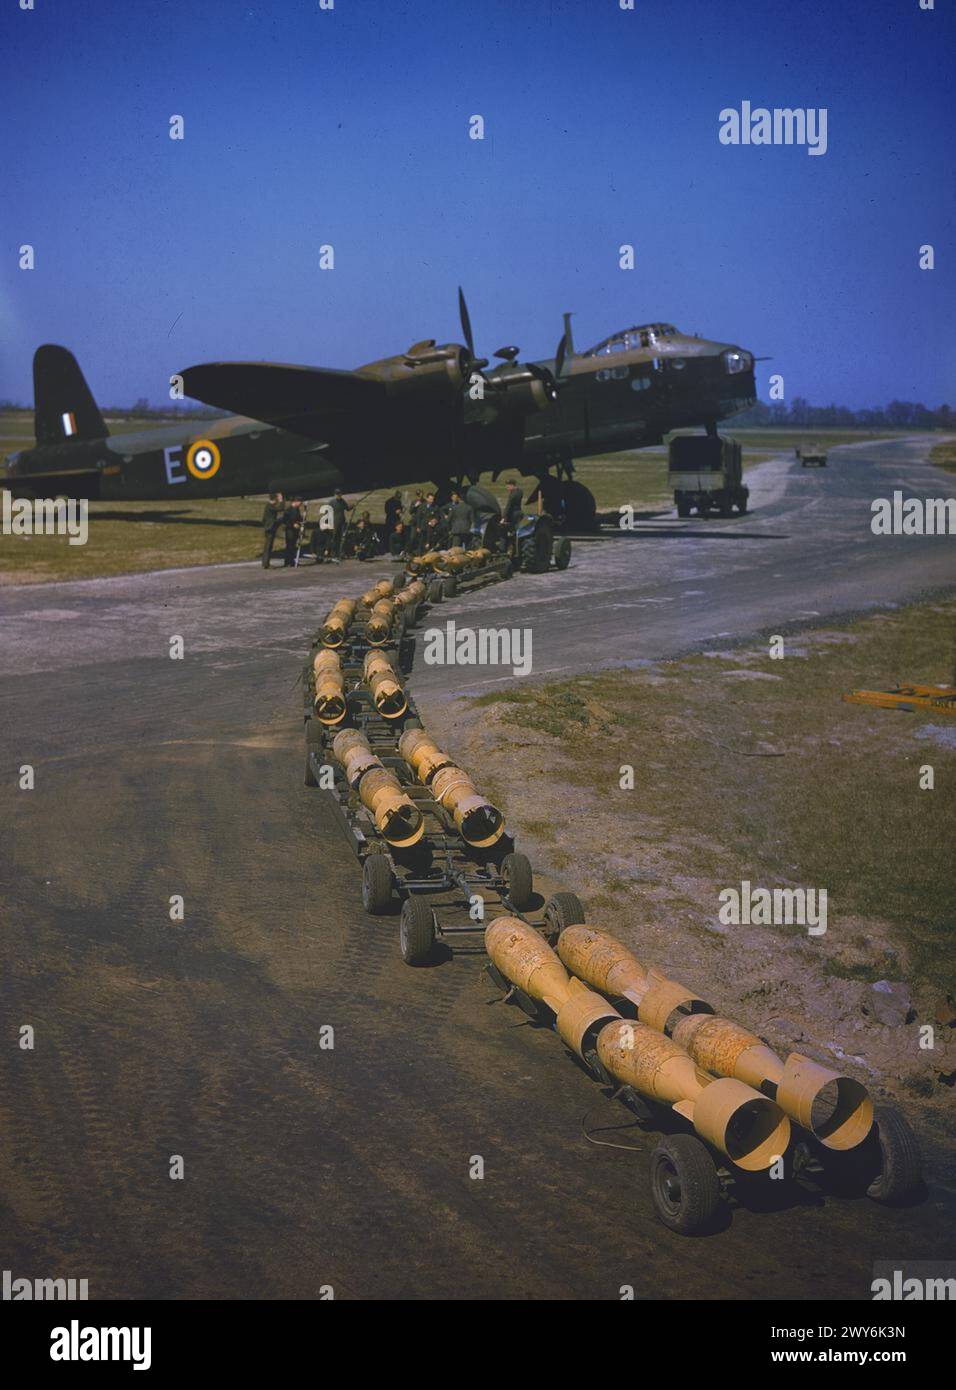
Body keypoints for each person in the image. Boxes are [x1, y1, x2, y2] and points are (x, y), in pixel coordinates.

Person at [261, 490, 284, 568]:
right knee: (268, 546)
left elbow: (264, 519)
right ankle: (266, 563)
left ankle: (265, 562)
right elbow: (280, 508)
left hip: (268, 527)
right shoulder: (270, 506)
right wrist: (281, 500)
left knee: (268, 546)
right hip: (270, 528)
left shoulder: (268, 506)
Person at [330, 489, 353, 559]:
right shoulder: (331, 502)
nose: (339, 496)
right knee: (334, 538)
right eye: (337, 494)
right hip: (334, 523)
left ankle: (341, 552)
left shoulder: (342, 501)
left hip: (342, 522)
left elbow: (347, 509)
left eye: (340, 494)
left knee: (343, 537)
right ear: (335, 495)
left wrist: (352, 506)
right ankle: (333, 553)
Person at [282, 497, 304, 567]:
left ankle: (292, 561)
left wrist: (301, 521)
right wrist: (293, 524)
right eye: (299, 502)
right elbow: (286, 520)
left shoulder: (297, 510)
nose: (300, 504)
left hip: (295, 531)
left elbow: (299, 518)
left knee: (293, 546)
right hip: (290, 531)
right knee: (289, 546)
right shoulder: (288, 510)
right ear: (295, 501)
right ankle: (287, 561)